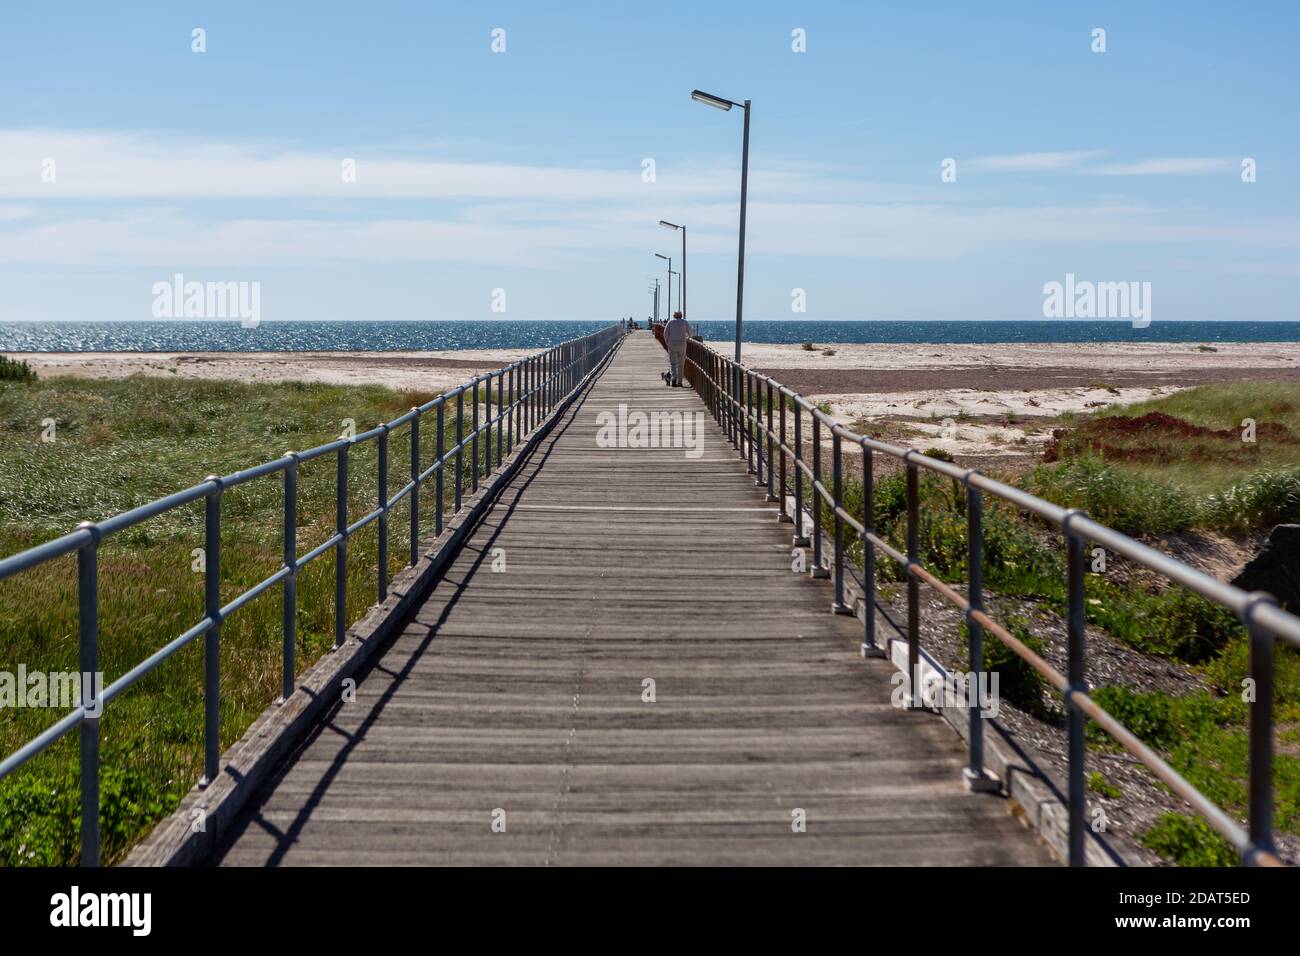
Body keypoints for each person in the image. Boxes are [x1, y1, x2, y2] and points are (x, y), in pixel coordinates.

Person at [663, 310, 690, 387]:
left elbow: (665, 333)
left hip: (672, 344)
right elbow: (690, 331)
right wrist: (689, 338)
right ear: (681, 315)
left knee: (673, 363)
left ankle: (674, 379)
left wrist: (667, 342)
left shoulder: (670, 322)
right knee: (681, 364)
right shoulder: (684, 322)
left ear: (674, 315)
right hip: (682, 344)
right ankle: (680, 381)